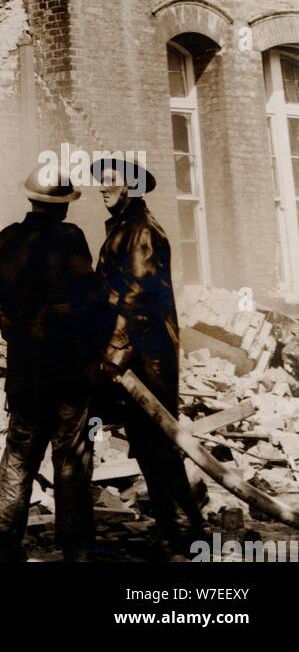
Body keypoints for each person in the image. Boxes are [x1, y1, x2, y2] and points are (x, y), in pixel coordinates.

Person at [92, 155, 206, 559]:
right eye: (100, 181)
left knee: (158, 443)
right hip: (137, 353)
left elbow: (139, 296)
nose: (102, 187)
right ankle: (177, 531)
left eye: (110, 181)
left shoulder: (140, 231)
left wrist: (114, 349)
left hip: (148, 356)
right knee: (148, 443)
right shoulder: (126, 227)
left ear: (131, 187)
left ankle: (186, 536)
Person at [0, 168, 101, 563]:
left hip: (26, 375)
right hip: (70, 374)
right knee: (70, 461)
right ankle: (76, 550)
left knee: (18, 457)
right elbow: (91, 304)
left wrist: (20, 334)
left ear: (31, 199)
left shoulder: (6, 240)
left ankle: (7, 546)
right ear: (63, 207)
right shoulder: (71, 240)